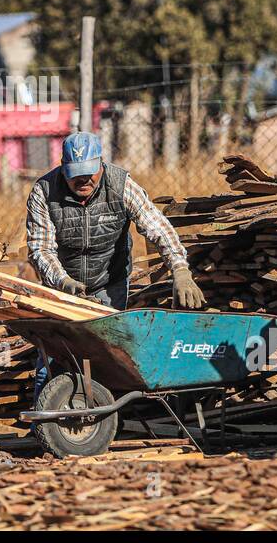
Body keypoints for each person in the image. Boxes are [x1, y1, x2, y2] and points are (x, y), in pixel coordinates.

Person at [25, 130, 206, 393]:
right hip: (62, 286)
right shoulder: (44, 192)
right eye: (76, 173)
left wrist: (180, 269)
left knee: (105, 358)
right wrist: (63, 282)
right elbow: (41, 249)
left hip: (109, 283)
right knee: (52, 361)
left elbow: (158, 227)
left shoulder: (121, 185)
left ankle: (104, 423)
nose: (84, 179)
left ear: (101, 164)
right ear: (63, 169)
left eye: (90, 171)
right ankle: (44, 427)